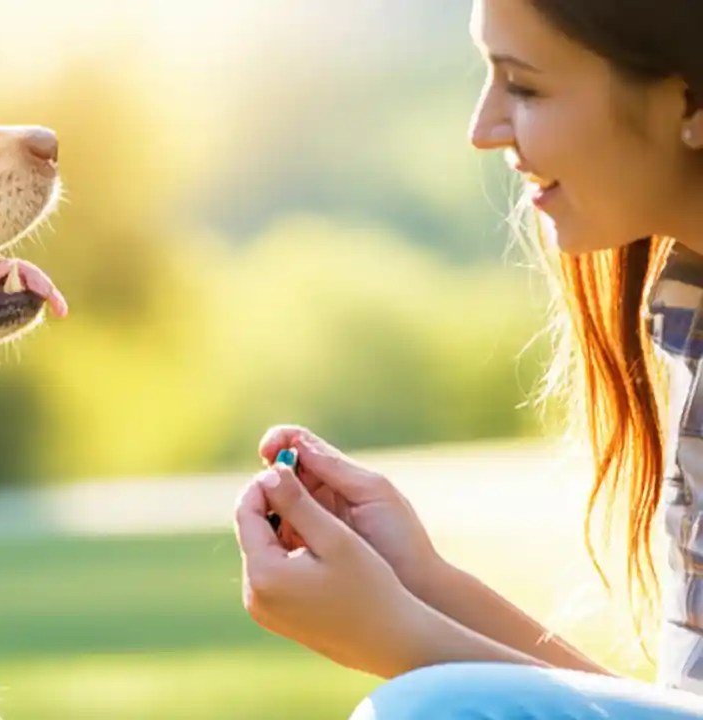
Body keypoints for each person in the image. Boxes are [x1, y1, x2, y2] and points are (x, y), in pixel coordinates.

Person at [232, 0, 703, 717]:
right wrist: (420, 581)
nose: (482, 130)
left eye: (525, 86)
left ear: (690, 99)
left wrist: (399, 636)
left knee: (435, 709)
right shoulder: (687, 305)